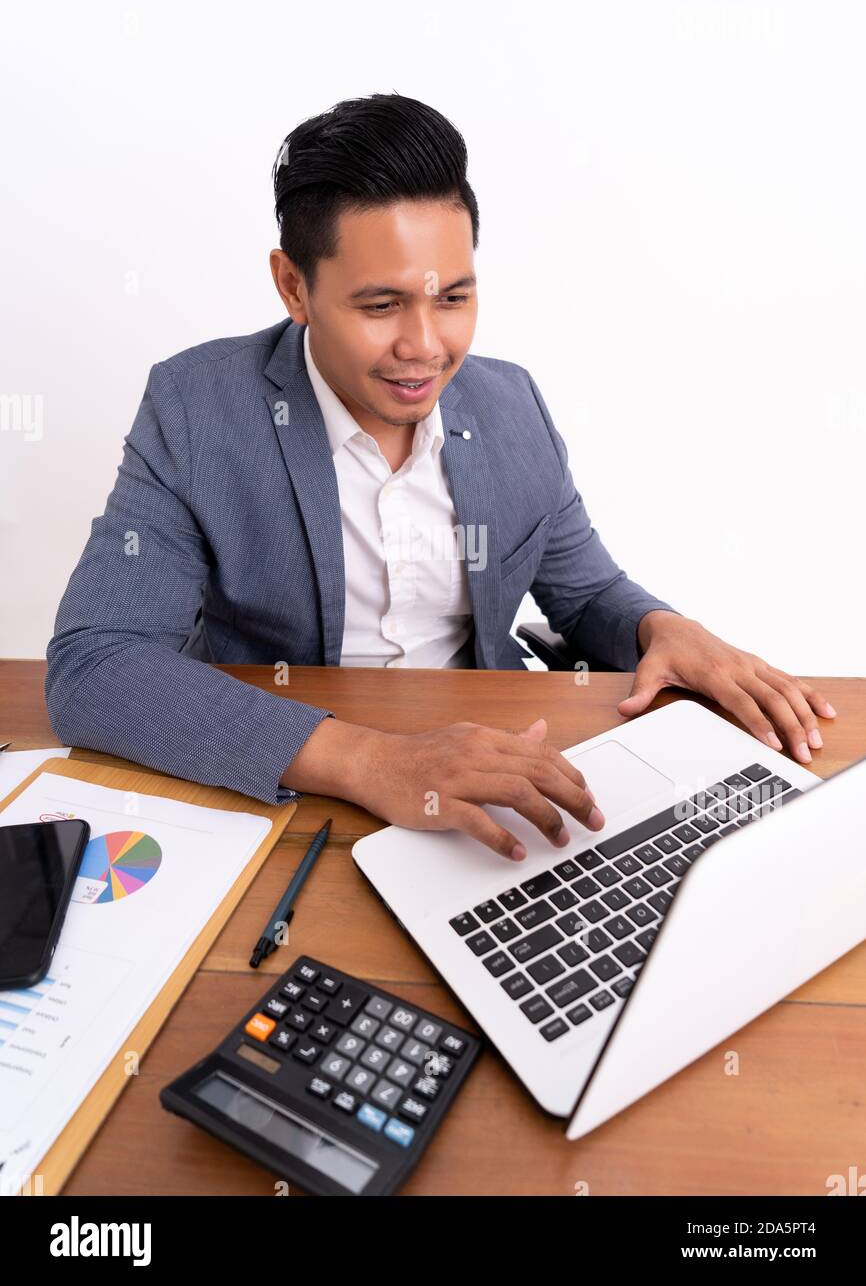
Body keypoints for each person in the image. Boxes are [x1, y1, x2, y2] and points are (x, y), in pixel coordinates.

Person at [45, 93, 836, 862]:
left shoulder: (511, 402)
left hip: (497, 780)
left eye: (453, 297)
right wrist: (368, 762)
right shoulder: (198, 409)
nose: (426, 346)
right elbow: (95, 664)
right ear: (294, 286)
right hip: (287, 793)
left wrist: (663, 628)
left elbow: (585, 594)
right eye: (381, 304)